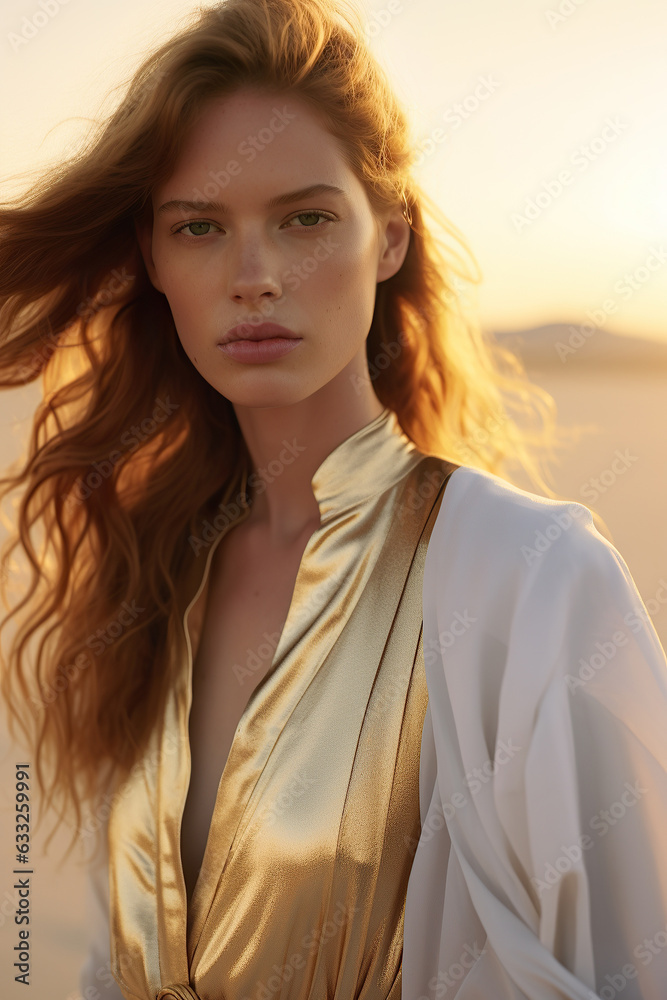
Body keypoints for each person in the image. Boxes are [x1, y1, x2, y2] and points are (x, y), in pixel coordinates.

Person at [1, 1, 666, 998]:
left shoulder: (532, 581)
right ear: (152, 259)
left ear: (388, 234)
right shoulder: (147, 583)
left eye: (306, 218)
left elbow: (632, 966)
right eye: (201, 228)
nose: (254, 276)